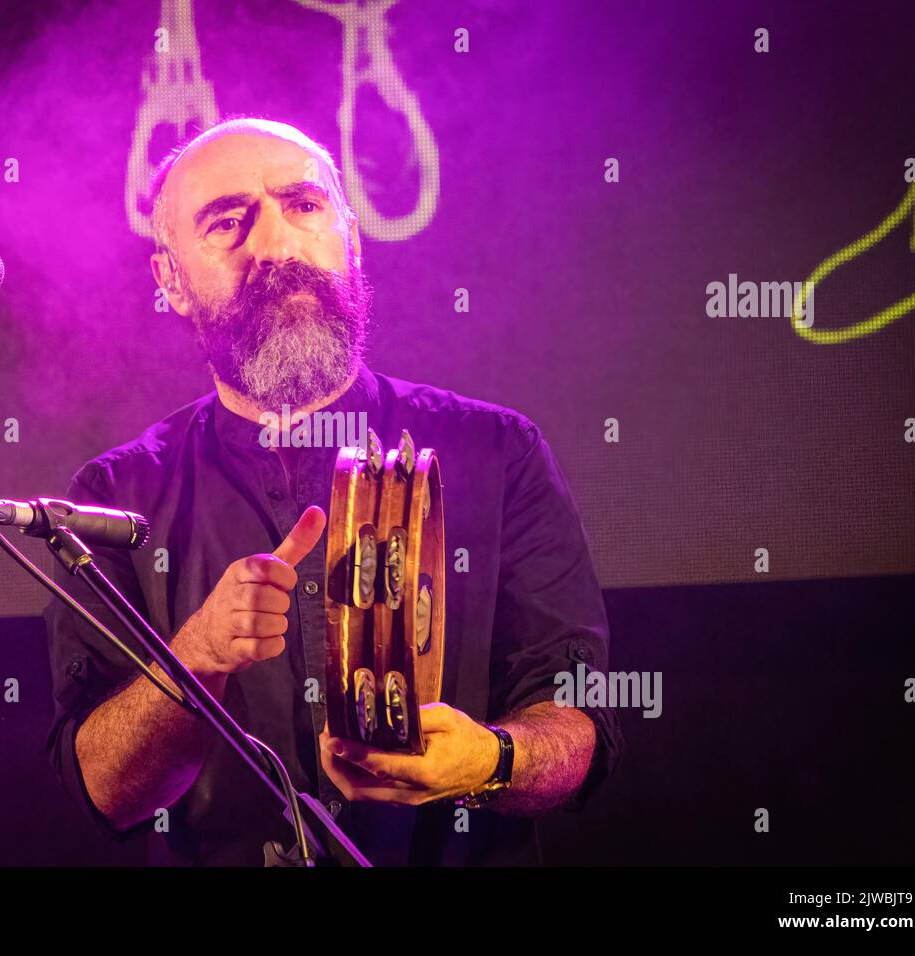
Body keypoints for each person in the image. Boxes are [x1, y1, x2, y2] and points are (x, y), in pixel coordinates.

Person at [44, 117, 621, 865]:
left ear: (350, 238)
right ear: (171, 282)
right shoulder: (114, 495)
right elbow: (104, 788)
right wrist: (197, 656)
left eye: (304, 207)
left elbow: (580, 725)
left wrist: (489, 761)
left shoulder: (499, 452)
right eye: (227, 222)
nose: (277, 246)